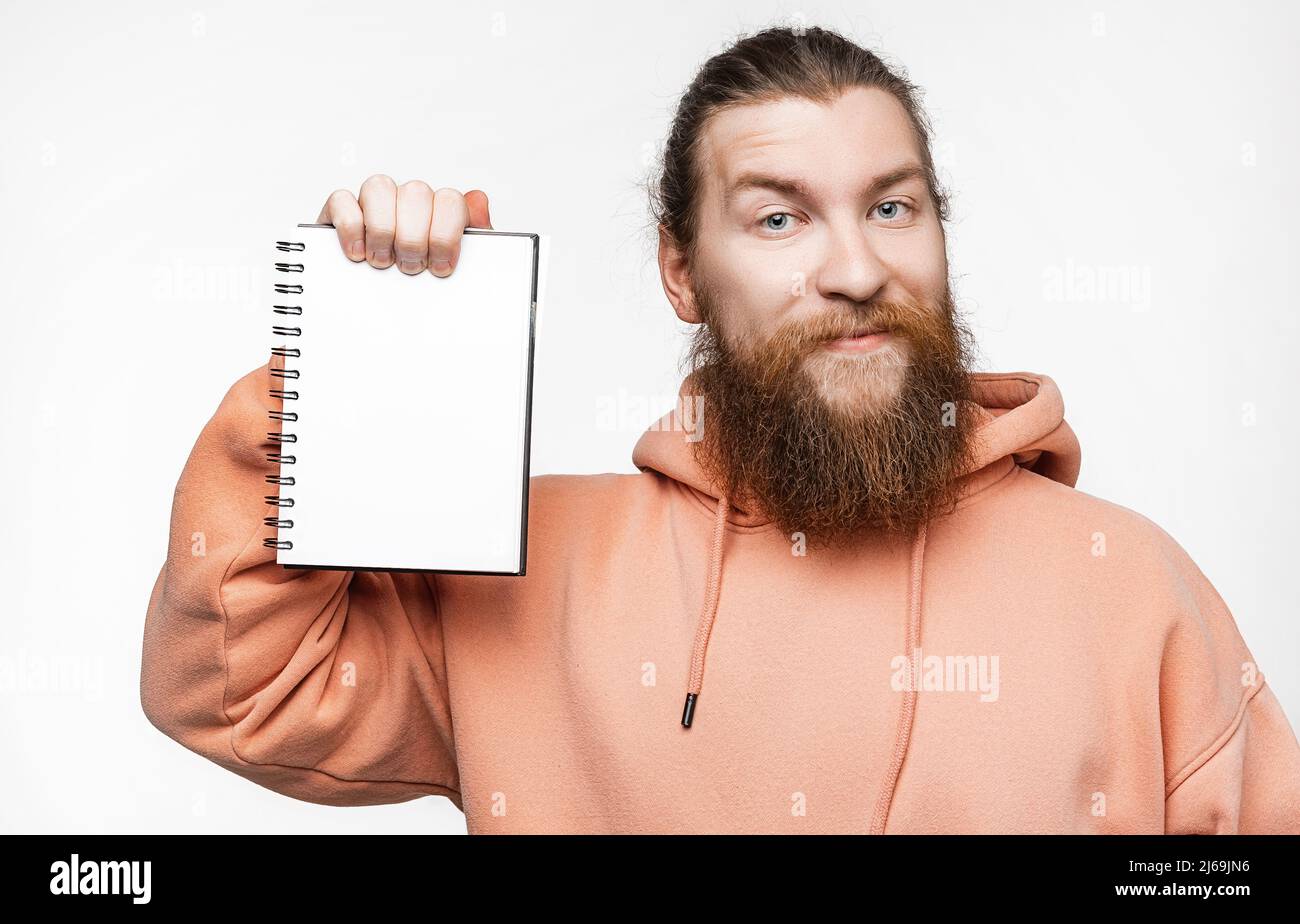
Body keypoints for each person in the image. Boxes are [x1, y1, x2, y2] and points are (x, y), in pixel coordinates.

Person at [140, 24, 1300, 833]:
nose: (855, 269)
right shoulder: (531, 561)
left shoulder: (1132, 585)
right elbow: (240, 692)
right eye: (780, 217)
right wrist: (354, 352)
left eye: (892, 207)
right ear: (681, 273)